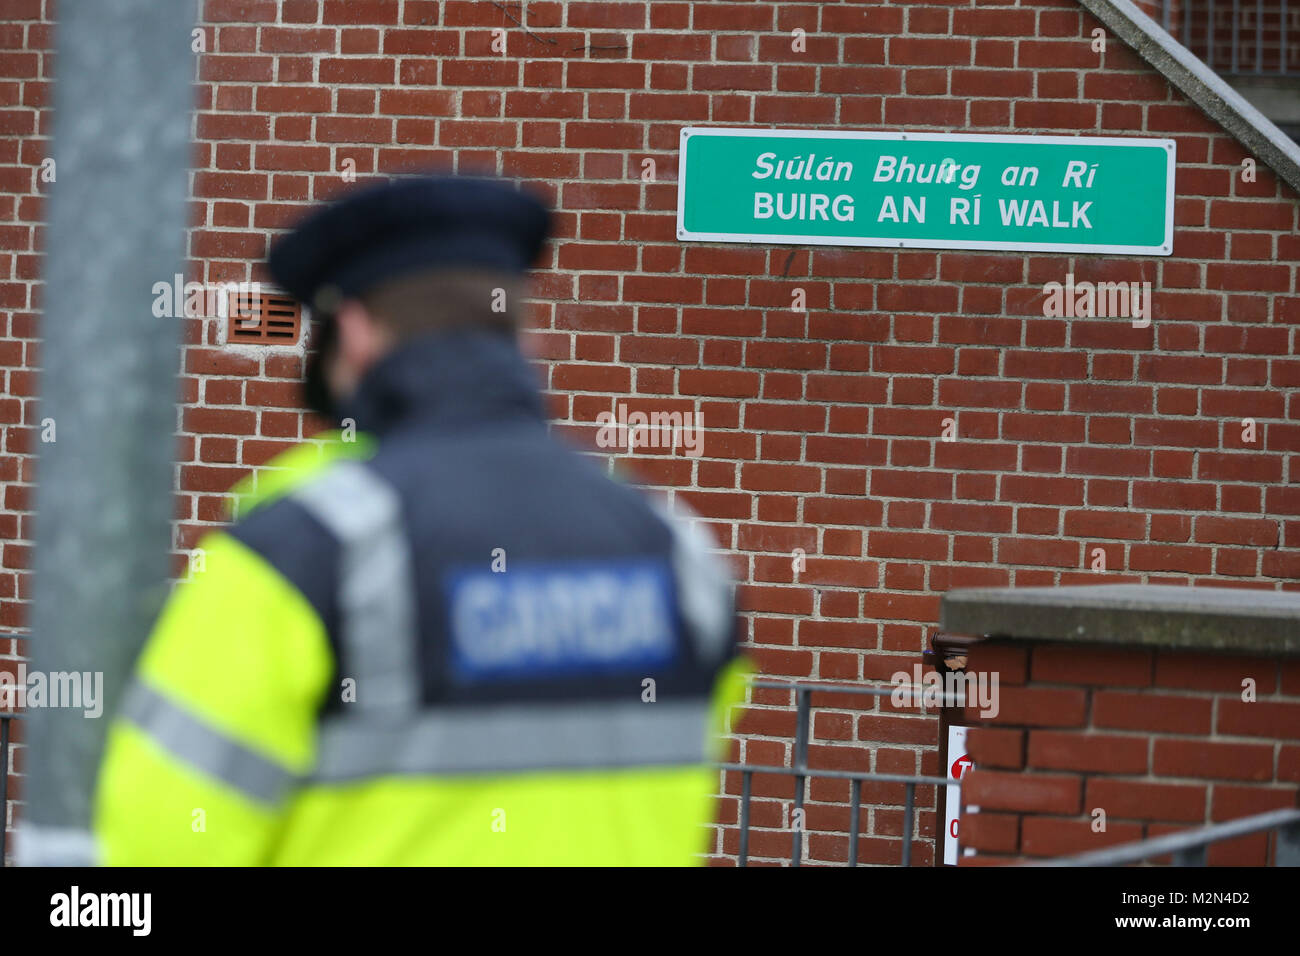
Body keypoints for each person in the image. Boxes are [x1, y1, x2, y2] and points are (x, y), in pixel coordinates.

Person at [93, 174, 748, 865]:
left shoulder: (304, 551)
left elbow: (159, 842)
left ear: (354, 331)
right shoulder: (677, 550)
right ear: (525, 338)